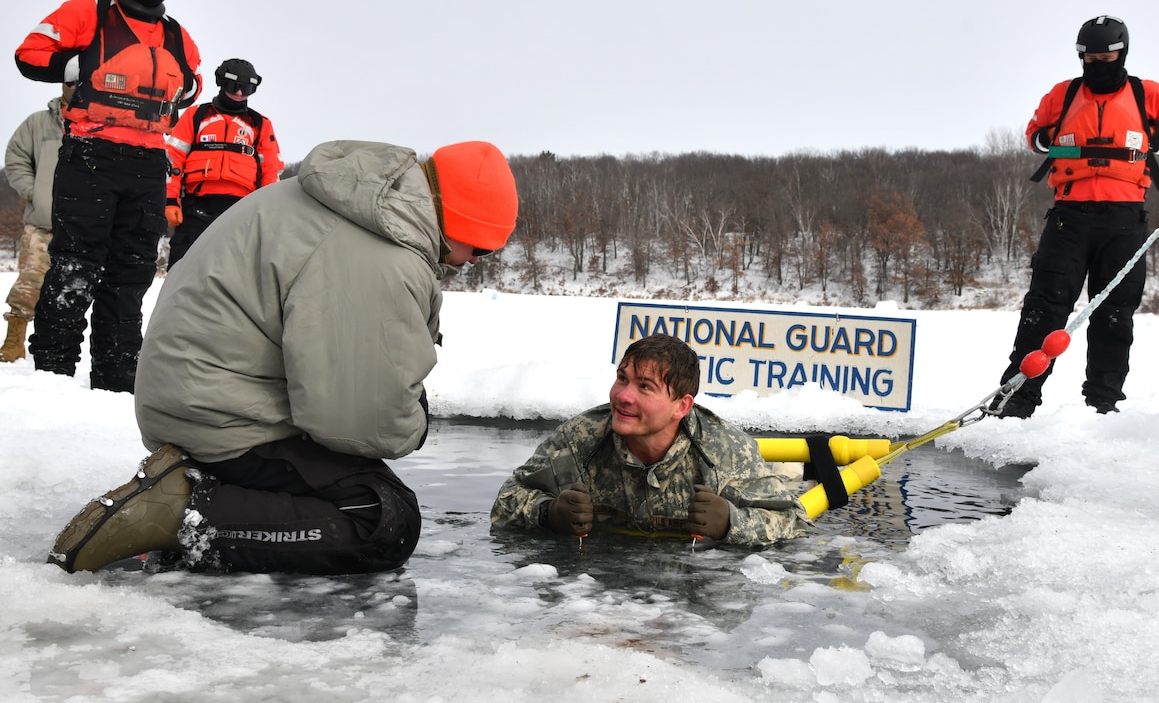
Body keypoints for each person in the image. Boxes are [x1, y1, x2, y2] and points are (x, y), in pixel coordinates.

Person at [46, 138, 519, 575]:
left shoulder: (350, 209)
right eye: (480, 246)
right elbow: (353, 417)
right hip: (219, 413)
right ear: (457, 217)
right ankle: (183, 512)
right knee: (381, 518)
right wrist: (414, 424)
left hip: (203, 394)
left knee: (365, 488)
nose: (477, 259)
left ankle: (192, 490)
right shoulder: (377, 253)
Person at [13, 0, 202, 392]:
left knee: (132, 273)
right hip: (90, 158)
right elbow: (29, 54)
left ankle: (117, 379)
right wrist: (72, 67)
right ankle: (53, 376)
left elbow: (192, 82)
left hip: (147, 165)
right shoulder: (89, 13)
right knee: (76, 264)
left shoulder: (176, 34)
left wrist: (182, 89)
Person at [992, 15, 1159, 418]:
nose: (1098, 64)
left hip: (1125, 220)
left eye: (1107, 57)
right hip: (1069, 218)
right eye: (1090, 58)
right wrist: (1048, 137)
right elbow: (1033, 135)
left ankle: (1102, 406)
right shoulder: (1063, 95)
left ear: (1122, 54)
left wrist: (1156, 137)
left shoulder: (1148, 94)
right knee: (1044, 310)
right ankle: (1016, 400)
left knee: (1115, 314)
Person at [491, 334, 809, 545]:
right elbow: (507, 500)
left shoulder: (721, 451)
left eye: (645, 387)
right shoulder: (582, 438)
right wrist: (548, 513)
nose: (623, 396)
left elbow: (793, 521)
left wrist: (731, 522)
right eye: (622, 379)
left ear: (681, 406)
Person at [165, 58, 283, 268]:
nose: (239, 93)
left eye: (246, 88)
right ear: (221, 82)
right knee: (182, 268)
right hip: (196, 207)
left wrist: (267, 213)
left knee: (233, 273)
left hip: (241, 211)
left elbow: (271, 171)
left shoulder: (260, 124)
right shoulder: (196, 116)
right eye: (234, 86)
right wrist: (170, 200)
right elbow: (173, 158)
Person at [0, 83, 73, 362]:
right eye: (71, 82)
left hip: (88, 223)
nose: (76, 88)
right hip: (43, 222)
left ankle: (59, 348)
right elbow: (15, 157)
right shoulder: (37, 123)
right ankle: (13, 342)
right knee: (30, 282)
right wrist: (34, 192)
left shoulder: (100, 124)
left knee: (76, 289)